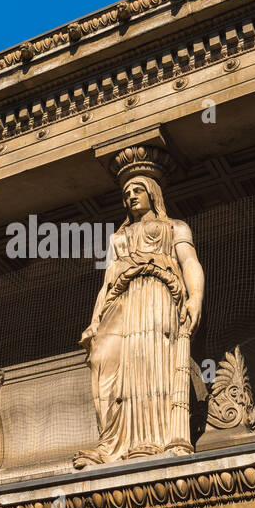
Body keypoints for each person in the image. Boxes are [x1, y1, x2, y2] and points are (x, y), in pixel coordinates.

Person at [75, 155, 204, 469]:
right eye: (126, 193)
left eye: (137, 190)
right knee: (105, 359)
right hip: (123, 301)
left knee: (151, 359)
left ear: (152, 194)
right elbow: (106, 283)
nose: (130, 196)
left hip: (159, 296)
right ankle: (115, 442)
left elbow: (190, 263)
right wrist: (94, 322)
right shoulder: (118, 239)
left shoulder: (174, 227)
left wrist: (195, 298)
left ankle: (153, 440)